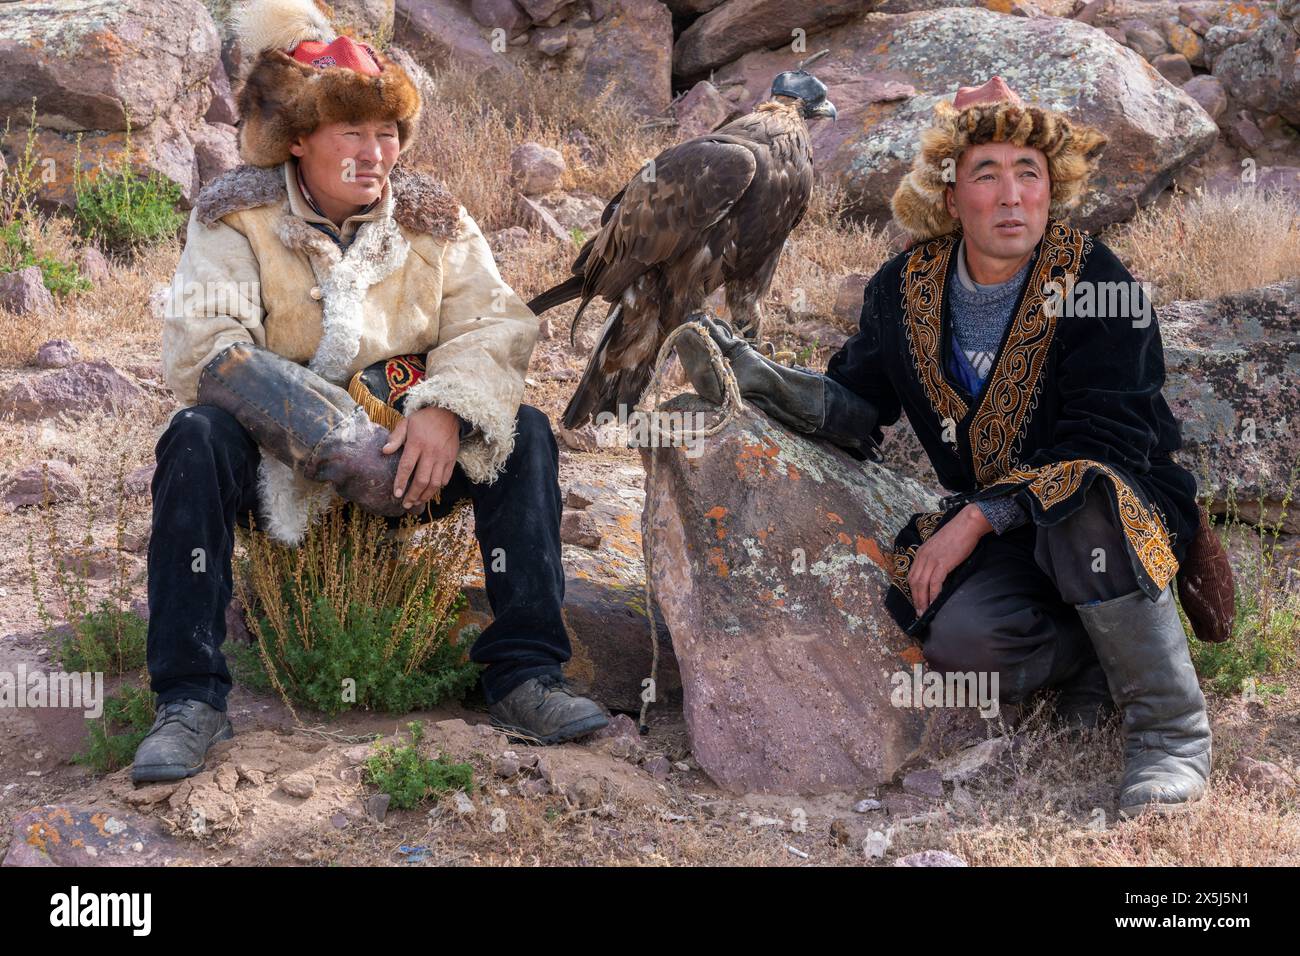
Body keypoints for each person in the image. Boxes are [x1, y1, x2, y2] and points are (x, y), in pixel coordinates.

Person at [679, 77, 1229, 818]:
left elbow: (1108, 444)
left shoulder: (1098, 281)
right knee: (965, 642)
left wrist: (976, 519)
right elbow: (858, 402)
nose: (1011, 196)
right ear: (949, 198)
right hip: (1015, 530)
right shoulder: (903, 290)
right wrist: (766, 381)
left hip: (1118, 513)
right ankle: (1098, 659)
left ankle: (1170, 732)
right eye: (988, 175)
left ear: (1051, 189)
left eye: (1029, 173)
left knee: (1084, 501)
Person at [132, 0, 606, 785]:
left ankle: (526, 676)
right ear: (298, 142)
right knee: (195, 435)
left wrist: (448, 408)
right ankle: (189, 699)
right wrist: (340, 445)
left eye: (387, 133)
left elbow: (494, 323)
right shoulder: (233, 216)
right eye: (351, 133)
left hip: (412, 456)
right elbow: (207, 350)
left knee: (521, 433)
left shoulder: (435, 220)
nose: (374, 151)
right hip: (280, 466)